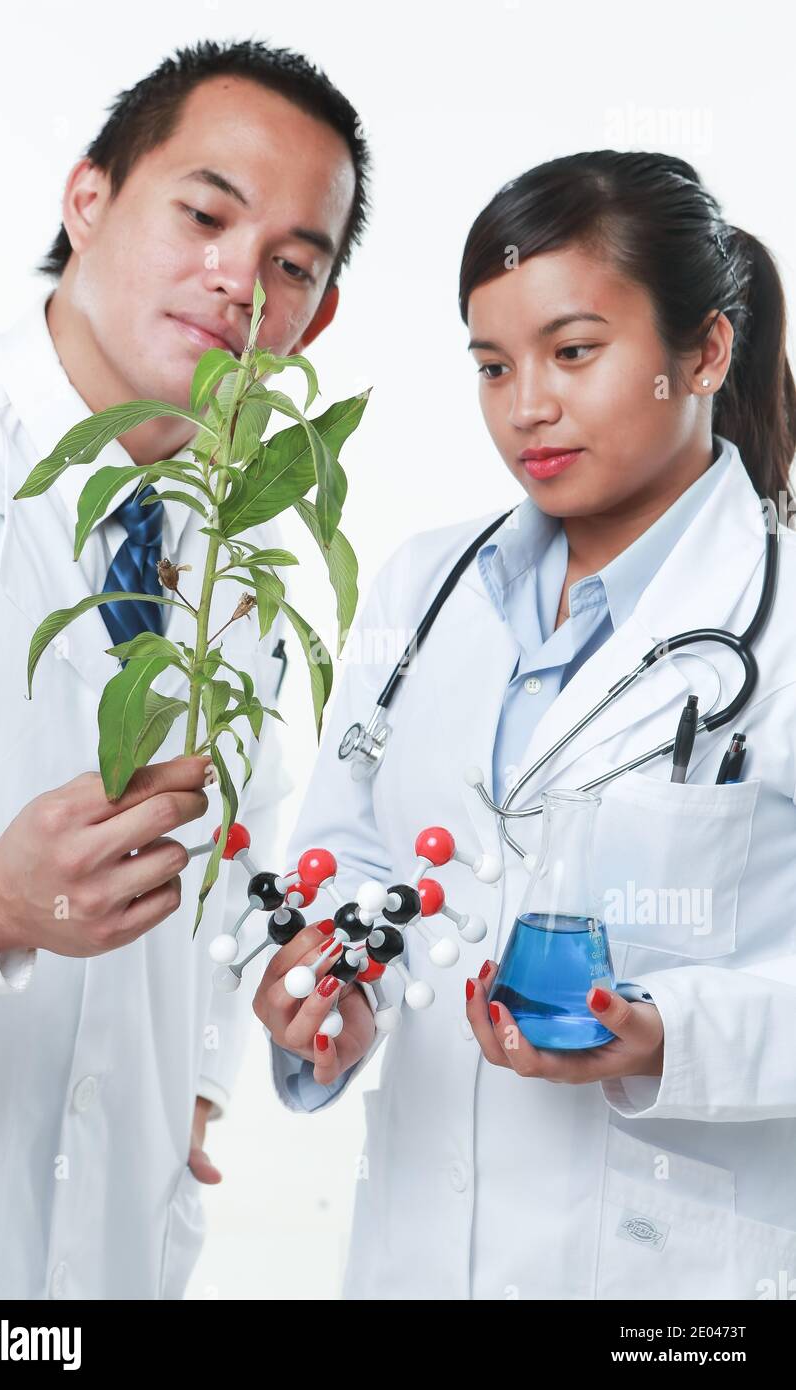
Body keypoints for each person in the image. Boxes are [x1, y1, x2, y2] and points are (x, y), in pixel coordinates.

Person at [254, 150, 796, 1300]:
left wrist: (671, 1036)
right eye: (492, 364)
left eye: (573, 352)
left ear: (701, 352)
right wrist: (333, 994)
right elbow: (350, 859)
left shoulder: (779, 621)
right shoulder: (419, 587)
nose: (526, 406)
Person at [0, 37, 370, 1299]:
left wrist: (198, 1081)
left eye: (293, 263)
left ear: (315, 316)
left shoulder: (236, 555)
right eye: (203, 213)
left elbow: (242, 834)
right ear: (86, 199)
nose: (241, 280)